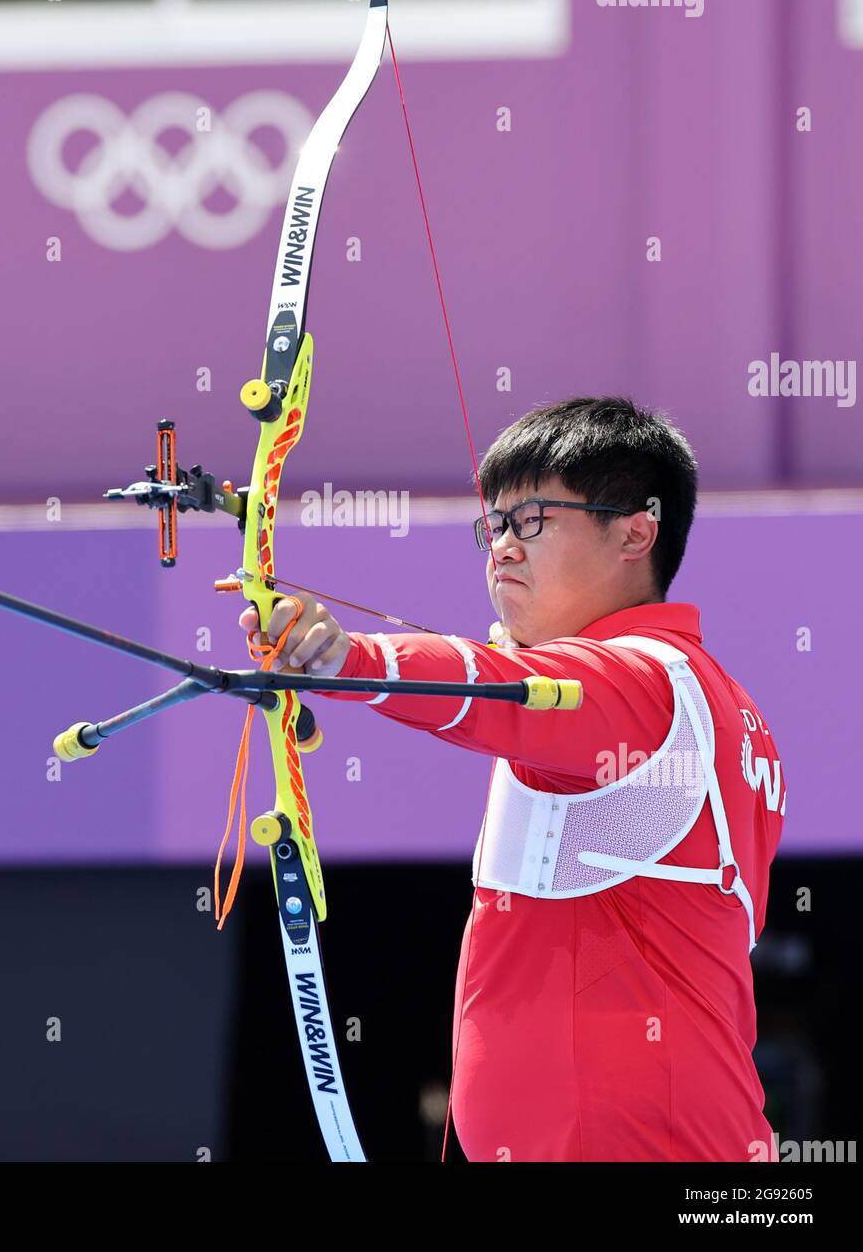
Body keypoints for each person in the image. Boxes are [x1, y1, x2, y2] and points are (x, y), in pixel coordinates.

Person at [241, 397, 785, 1162]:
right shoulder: (712, 699)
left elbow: (496, 689)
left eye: (531, 519)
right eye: (492, 524)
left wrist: (342, 659)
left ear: (635, 529)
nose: (501, 546)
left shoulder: (640, 681)